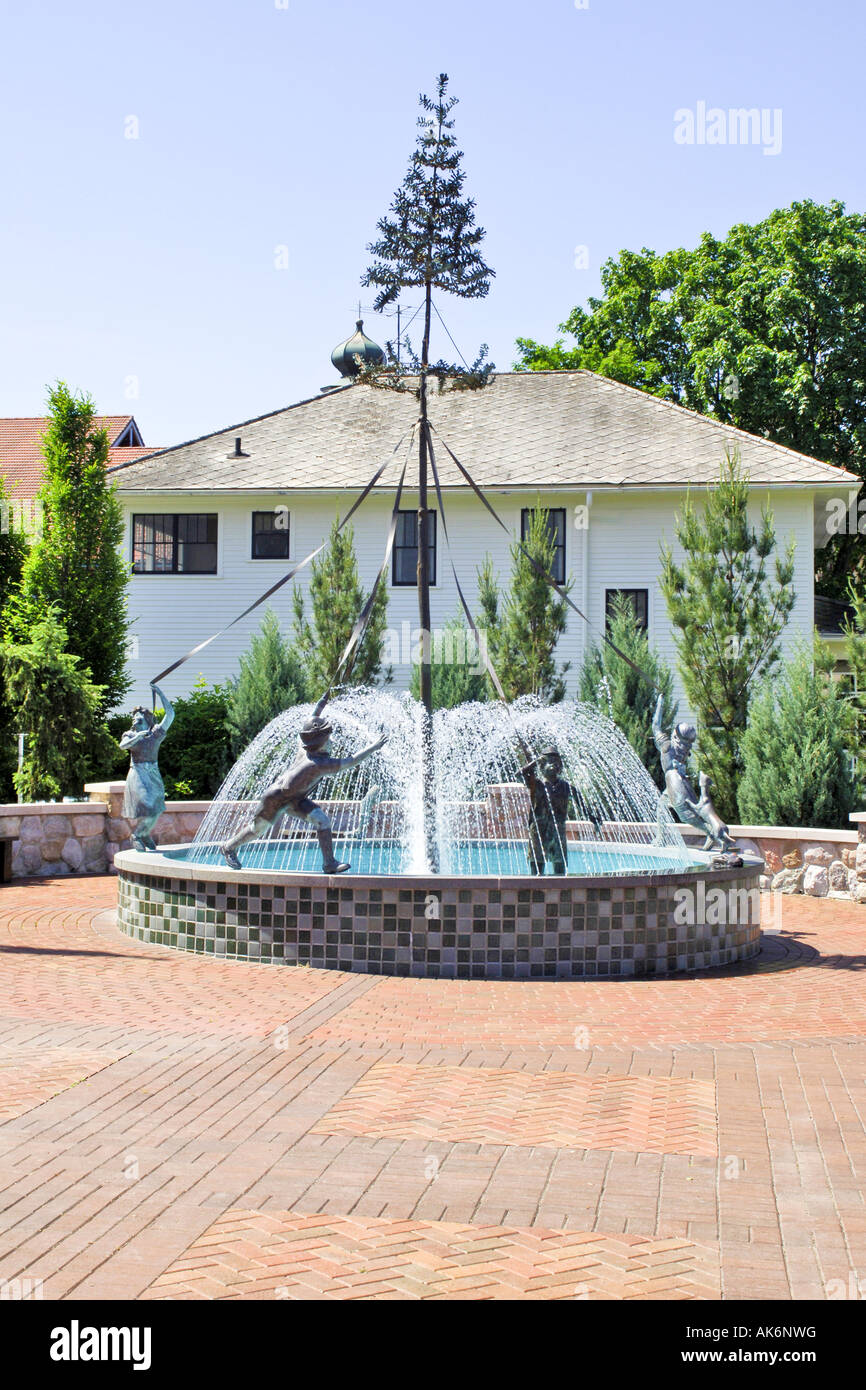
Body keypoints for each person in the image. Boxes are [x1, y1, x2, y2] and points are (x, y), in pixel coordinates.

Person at [220, 714, 387, 874]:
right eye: (328, 739)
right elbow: (351, 761)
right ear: (320, 743)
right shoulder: (319, 763)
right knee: (257, 829)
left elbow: (308, 724)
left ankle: (329, 863)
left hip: (296, 799)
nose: (332, 742)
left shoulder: (305, 749)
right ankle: (228, 847)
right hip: (274, 799)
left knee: (322, 820)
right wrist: (374, 746)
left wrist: (320, 706)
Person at [652, 693, 737, 855]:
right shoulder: (684, 750)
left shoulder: (667, 745)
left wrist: (660, 703)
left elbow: (655, 725)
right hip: (681, 780)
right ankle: (661, 838)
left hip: (674, 784)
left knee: (687, 815)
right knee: (661, 807)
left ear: (675, 736)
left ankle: (711, 832)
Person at [119, 683, 175, 852]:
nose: (135, 720)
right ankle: (137, 834)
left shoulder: (155, 734)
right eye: (134, 718)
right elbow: (123, 746)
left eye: (138, 718)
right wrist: (138, 736)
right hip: (138, 773)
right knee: (149, 806)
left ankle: (144, 833)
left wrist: (161, 694)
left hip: (153, 773)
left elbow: (170, 714)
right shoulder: (130, 735)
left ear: (146, 721)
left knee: (157, 808)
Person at [520, 747, 580, 876]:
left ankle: (560, 891)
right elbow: (521, 773)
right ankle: (535, 890)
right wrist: (536, 760)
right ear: (542, 765)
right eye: (549, 761)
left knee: (559, 865)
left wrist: (593, 817)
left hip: (557, 829)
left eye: (556, 761)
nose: (553, 765)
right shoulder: (536, 784)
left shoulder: (566, 786)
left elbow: (581, 803)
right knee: (537, 864)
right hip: (538, 829)